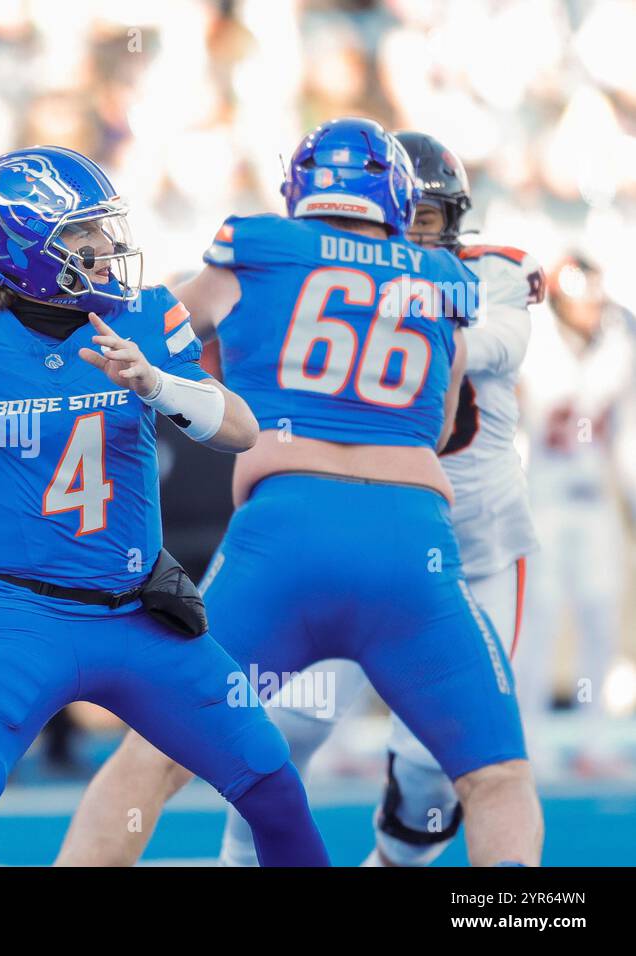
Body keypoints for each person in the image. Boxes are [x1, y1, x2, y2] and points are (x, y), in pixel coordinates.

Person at [0, 144, 331, 867]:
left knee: (269, 779)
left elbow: (241, 429)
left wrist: (157, 384)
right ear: (24, 251)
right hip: (24, 619)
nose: (105, 245)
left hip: (139, 613)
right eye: (83, 233)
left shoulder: (142, 317)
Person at [56, 118, 542, 867]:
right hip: (410, 541)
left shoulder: (259, 246)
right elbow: (441, 426)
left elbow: (154, 331)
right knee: (496, 778)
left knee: (152, 758)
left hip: (284, 537)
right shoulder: (443, 280)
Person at [212, 130, 546, 867]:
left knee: (436, 767)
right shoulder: (334, 272)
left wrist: (413, 308)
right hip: (369, 533)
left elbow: (501, 342)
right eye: (406, 216)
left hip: (475, 551)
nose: (413, 233)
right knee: (291, 721)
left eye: (429, 220)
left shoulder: (483, 275)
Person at [517, 253, 634, 774]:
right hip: (543, 498)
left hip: (594, 502)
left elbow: (625, 436)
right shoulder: (533, 348)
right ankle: (530, 738)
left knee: (600, 617)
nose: (592, 309)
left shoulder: (617, 347)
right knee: (539, 620)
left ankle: (595, 739)